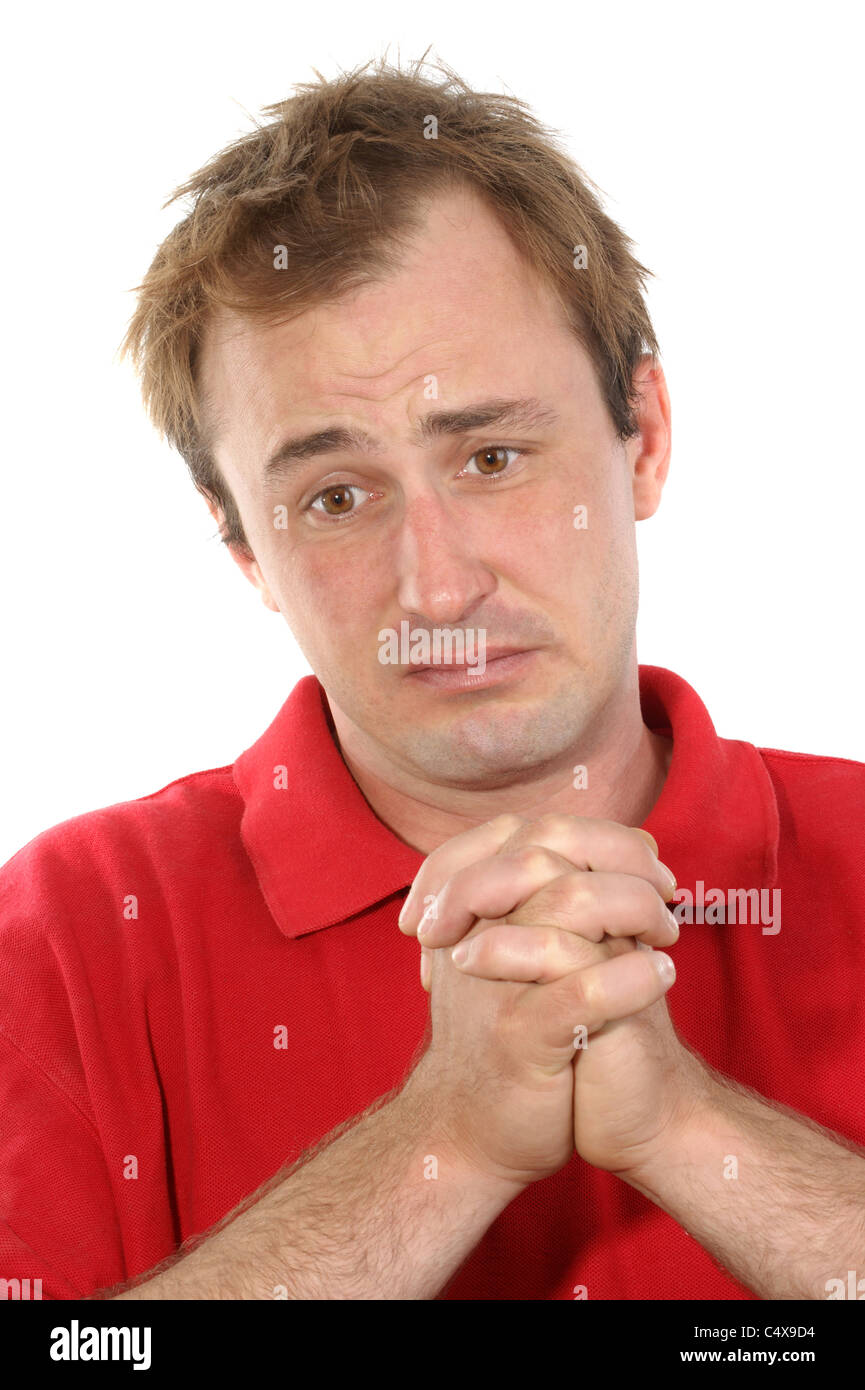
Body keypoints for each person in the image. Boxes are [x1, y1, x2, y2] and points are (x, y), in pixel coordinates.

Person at [2, 56, 864, 1303]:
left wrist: (691, 1133)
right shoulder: (67, 936)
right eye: (336, 497)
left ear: (646, 438)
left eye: (495, 455)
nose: (438, 587)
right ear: (246, 546)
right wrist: (444, 1141)